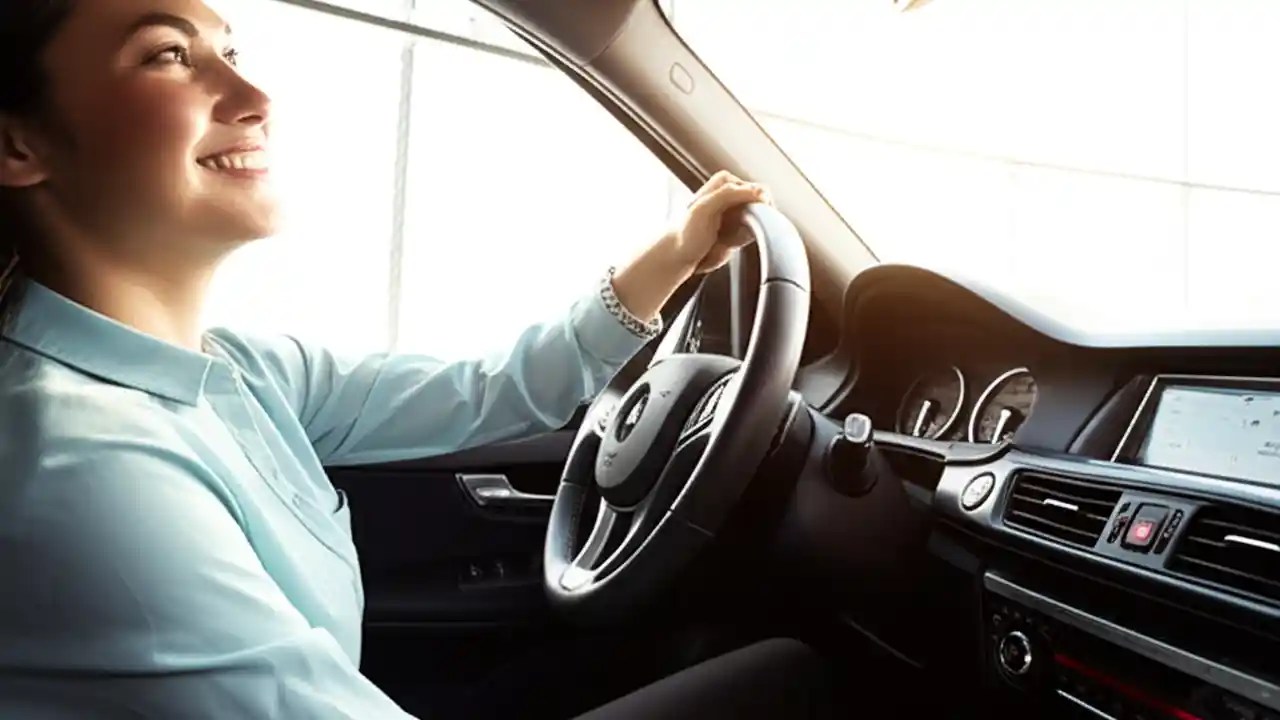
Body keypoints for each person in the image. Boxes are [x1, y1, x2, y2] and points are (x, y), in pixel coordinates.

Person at [0, 1, 841, 717]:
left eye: (230, 51)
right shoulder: (89, 474)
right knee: (793, 680)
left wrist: (671, 256)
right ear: (18, 146)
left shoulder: (232, 370)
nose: (254, 97)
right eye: (169, 56)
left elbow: (491, 392)